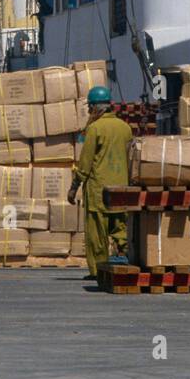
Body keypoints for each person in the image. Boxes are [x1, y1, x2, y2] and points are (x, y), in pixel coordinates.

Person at [69, 86, 133, 278]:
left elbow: (86, 162)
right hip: (122, 190)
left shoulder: (94, 129)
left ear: (96, 108)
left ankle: (98, 271)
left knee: (97, 235)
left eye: (90, 108)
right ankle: (125, 263)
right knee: (120, 229)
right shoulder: (125, 128)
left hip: (99, 192)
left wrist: (74, 187)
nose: (89, 112)